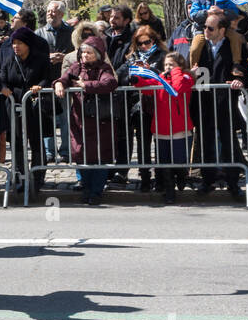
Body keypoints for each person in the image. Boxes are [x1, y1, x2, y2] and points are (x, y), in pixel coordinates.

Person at [187, 9, 248, 199]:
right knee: (206, 142)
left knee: (229, 141)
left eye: (211, 28)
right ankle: (208, 181)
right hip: (204, 102)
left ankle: (233, 182)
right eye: (205, 27)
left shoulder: (233, 46)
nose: (206, 30)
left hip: (225, 103)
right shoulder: (199, 46)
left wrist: (240, 81)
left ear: (222, 30)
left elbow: (245, 68)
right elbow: (188, 70)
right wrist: (192, 74)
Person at [53, 34, 119, 205]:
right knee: (80, 154)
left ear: (97, 53)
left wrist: (86, 86)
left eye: (89, 53)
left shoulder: (104, 68)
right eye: (83, 53)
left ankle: (96, 191)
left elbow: (110, 83)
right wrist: (59, 84)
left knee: (99, 156)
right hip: (79, 119)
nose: (85, 56)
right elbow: (64, 78)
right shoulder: (76, 67)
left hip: (99, 120)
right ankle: (86, 188)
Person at [0, 25, 54, 194]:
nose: (16, 46)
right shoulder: (9, 60)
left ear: (28, 44)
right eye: (14, 43)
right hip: (14, 109)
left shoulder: (41, 59)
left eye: (19, 43)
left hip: (35, 107)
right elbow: (2, 78)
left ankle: (37, 177)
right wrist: (4, 88)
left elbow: (47, 77)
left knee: (37, 143)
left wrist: (39, 86)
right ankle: (21, 177)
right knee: (17, 144)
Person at [131, 50, 195, 202]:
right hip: (161, 128)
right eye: (165, 64)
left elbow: (177, 89)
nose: (167, 67)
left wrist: (176, 71)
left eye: (171, 64)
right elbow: (145, 85)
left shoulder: (186, 77)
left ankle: (181, 177)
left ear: (179, 66)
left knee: (179, 160)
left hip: (180, 128)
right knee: (165, 162)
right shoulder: (160, 78)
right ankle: (169, 191)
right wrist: (135, 78)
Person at [118, 25, 166, 191]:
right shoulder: (132, 56)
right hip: (139, 106)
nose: (143, 46)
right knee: (143, 143)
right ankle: (144, 176)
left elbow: (167, 75)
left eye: (147, 42)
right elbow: (120, 76)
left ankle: (161, 178)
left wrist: (150, 70)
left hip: (159, 104)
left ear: (154, 40)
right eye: (140, 43)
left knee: (160, 143)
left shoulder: (163, 55)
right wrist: (132, 72)